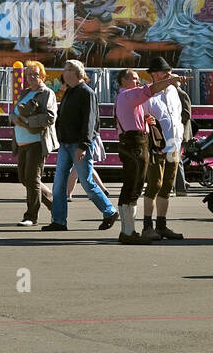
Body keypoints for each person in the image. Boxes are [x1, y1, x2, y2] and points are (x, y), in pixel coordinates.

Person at [45, 58, 117, 232]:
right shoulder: (70, 91)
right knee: (59, 183)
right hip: (66, 144)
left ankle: (109, 211)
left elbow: (90, 121)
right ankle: (59, 221)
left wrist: (84, 145)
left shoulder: (87, 92)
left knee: (86, 182)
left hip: (78, 144)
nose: (64, 72)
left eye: (67, 69)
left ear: (75, 72)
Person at [114, 67, 175, 245]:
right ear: (123, 82)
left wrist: (148, 123)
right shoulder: (128, 95)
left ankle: (127, 230)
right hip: (135, 145)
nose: (137, 81)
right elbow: (150, 89)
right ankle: (129, 232)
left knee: (131, 186)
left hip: (134, 143)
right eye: (133, 78)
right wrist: (170, 80)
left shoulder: (125, 97)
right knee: (134, 187)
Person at [142, 58, 186, 241]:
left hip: (174, 145)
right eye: (163, 71)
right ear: (154, 74)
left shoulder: (174, 91)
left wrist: (181, 137)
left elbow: (178, 117)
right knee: (154, 185)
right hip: (157, 147)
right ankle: (147, 226)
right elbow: (144, 119)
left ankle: (161, 225)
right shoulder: (148, 93)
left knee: (167, 186)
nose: (168, 74)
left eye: (169, 71)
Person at [10, 61, 58, 227]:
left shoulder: (47, 93)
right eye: (29, 74)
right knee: (24, 179)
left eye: (35, 74)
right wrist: (13, 118)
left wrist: (25, 122)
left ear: (43, 76)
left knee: (32, 179)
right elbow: (14, 112)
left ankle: (31, 216)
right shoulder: (25, 93)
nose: (31, 77)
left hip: (37, 142)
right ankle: (53, 204)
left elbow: (50, 117)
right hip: (22, 143)